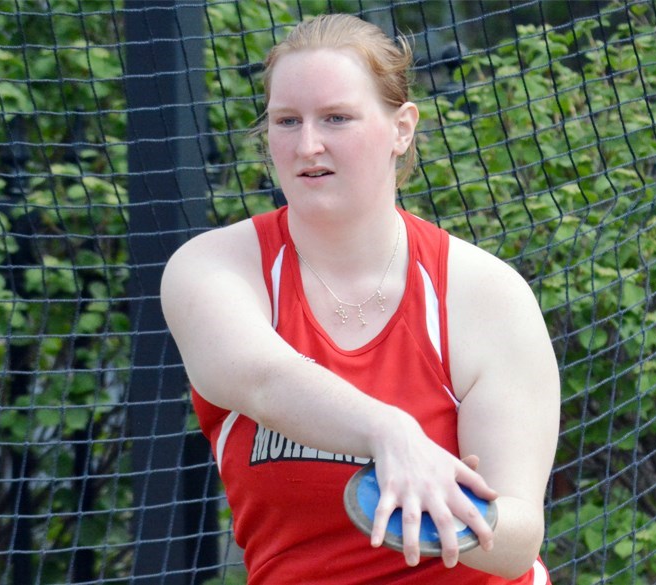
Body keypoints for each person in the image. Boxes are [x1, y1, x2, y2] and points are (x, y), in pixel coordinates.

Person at [161, 13, 559, 584]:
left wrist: (443, 501)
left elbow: (517, 542)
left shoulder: (484, 292)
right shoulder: (215, 268)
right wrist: (392, 434)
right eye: (286, 120)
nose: (308, 144)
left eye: (337, 118)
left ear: (402, 128)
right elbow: (260, 376)